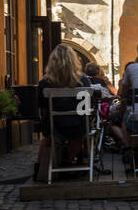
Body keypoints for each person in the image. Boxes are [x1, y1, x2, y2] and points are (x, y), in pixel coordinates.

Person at [34, 44, 96, 181]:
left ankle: (38, 168)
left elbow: (44, 109)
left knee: (48, 136)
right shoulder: (82, 81)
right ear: (74, 61)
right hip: (77, 125)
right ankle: (67, 163)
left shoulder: (45, 82)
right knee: (79, 135)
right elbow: (84, 108)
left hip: (53, 125)